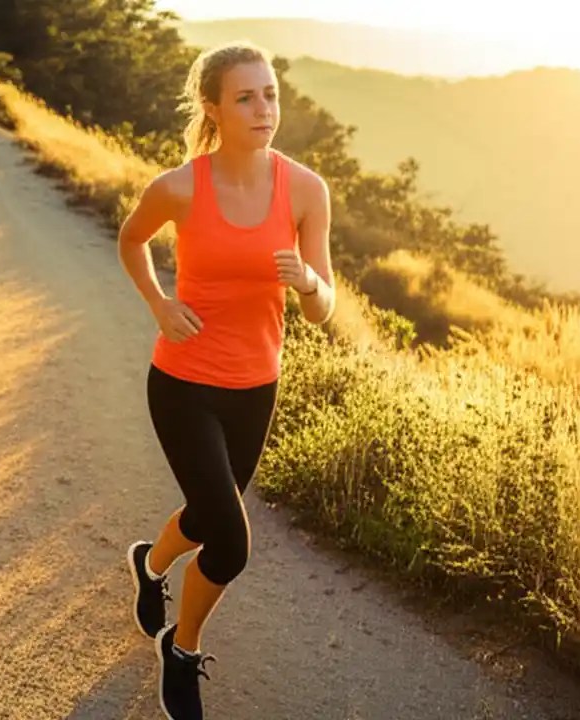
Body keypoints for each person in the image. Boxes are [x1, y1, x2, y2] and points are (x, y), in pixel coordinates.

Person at [116, 40, 336, 720]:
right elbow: (131, 240)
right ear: (213, 107)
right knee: (231, 542)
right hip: (182, 382)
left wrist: (308, 284)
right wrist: (159, 303)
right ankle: (180, 652)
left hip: (256, 387)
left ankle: (151, 563)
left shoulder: (304, 189)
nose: (264, 107)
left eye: (269, 93)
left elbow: (326, 304)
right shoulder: (180, 186)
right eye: (246, 96)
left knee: (211, 516)